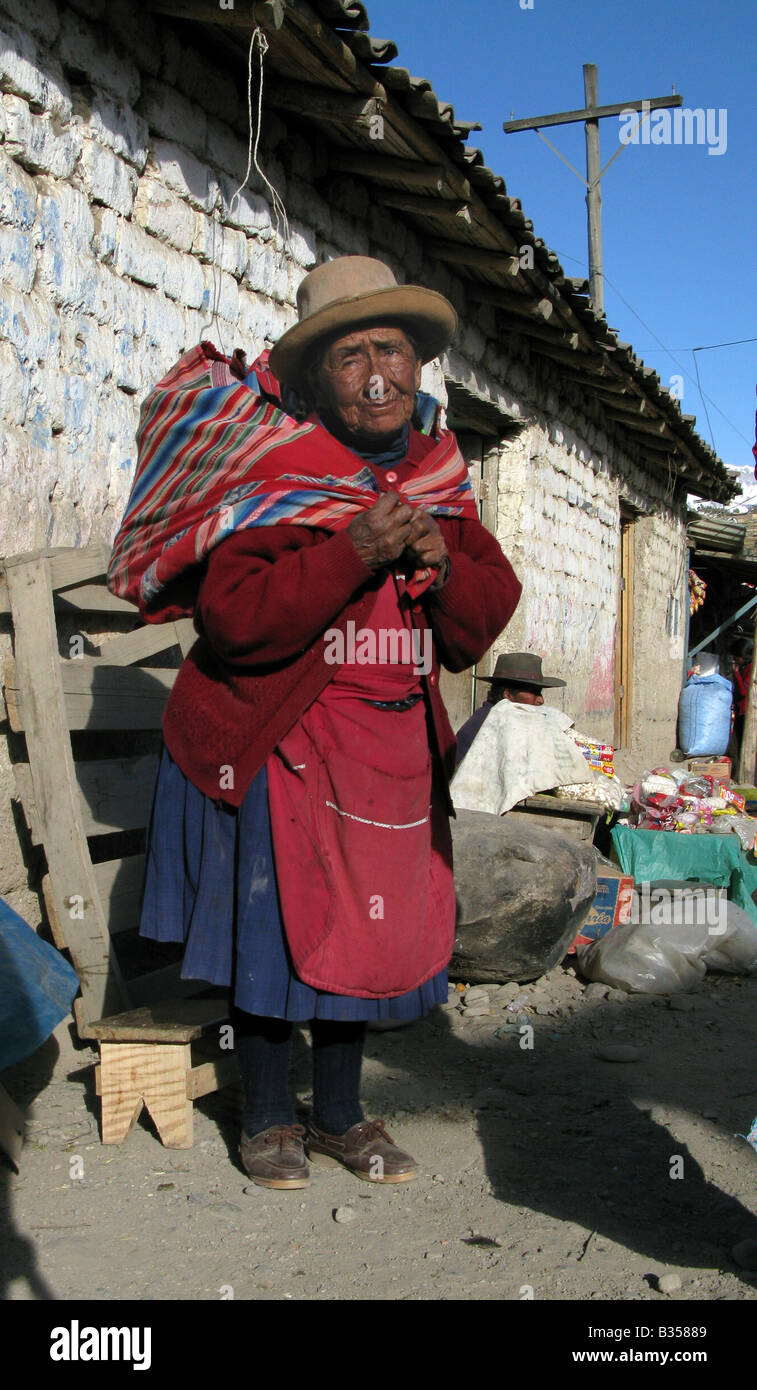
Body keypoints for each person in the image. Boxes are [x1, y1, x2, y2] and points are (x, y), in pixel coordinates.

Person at [109, 255, 521, 1190]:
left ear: (417, 366)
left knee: (365, 932)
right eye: (348, 356)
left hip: (382, 750)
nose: (375, 373)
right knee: (277, 932)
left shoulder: (440, 480)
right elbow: (237, 624)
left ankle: (338, 1113)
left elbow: (483, 615)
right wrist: (354, 551)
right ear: (315, 378)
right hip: (273, 740)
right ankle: (265, 1115)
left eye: (392, 349)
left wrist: (442, 566)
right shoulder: (278, 472)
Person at [454, 652, 566, 767]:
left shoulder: (512, 722)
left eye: (540, 693)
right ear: (508, 695)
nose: (540, 700)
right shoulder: (485, 725)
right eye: (533, 692)